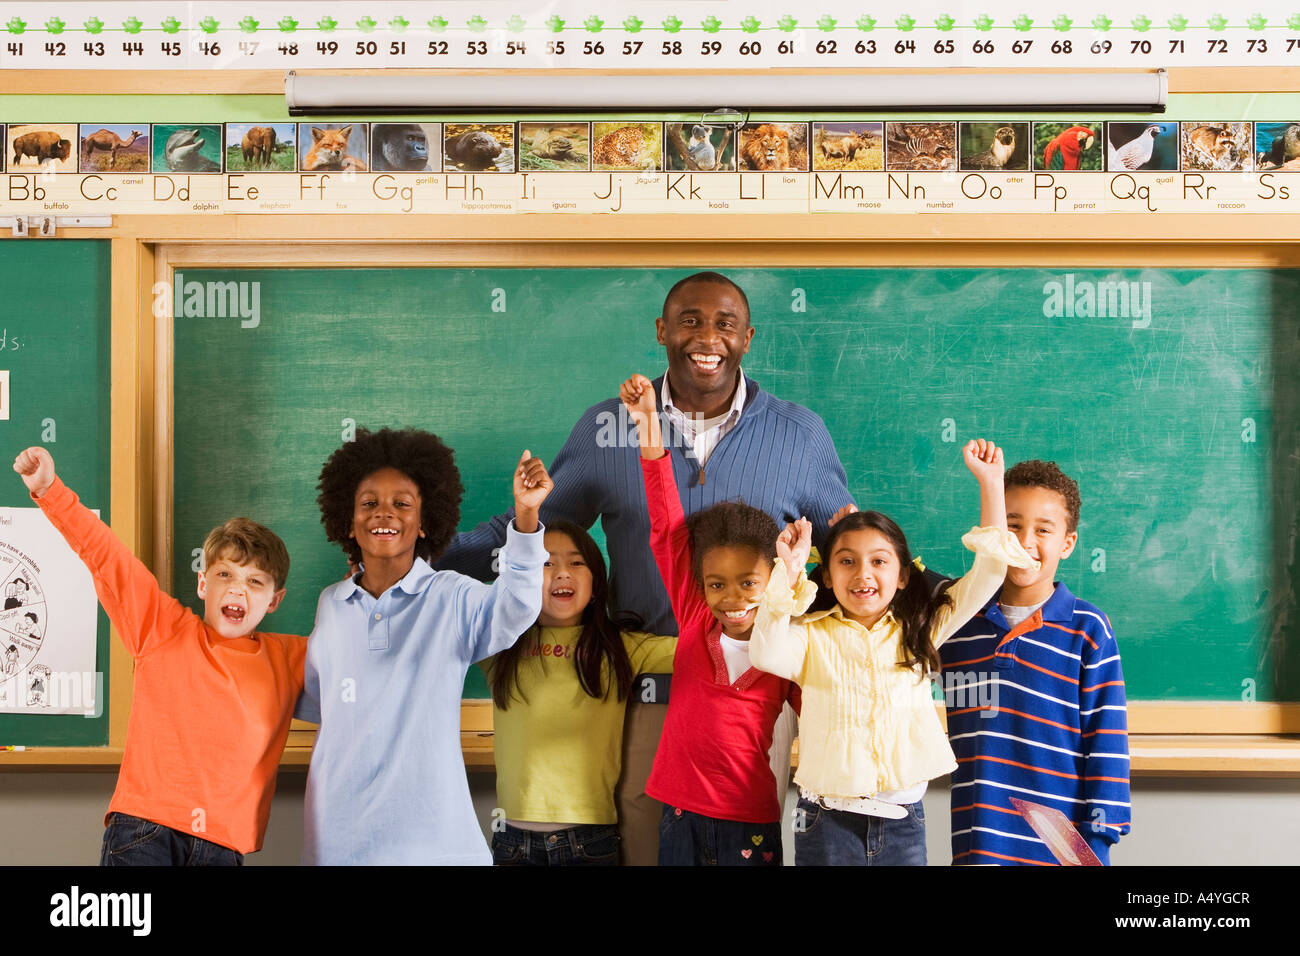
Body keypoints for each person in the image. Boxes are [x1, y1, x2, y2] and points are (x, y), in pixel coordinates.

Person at [438, 272, 853, 862]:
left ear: (748, 337)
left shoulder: (799, 434)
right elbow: (529, 530)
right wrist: (419, 558)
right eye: (689, 320)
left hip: (756, 687)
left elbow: (853, 554)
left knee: (742, 840)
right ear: (662, 330)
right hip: (644, 680)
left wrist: (921, 611)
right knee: (644, 842)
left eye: (725, 323)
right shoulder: (608, 428)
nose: (707, 337)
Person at [750, 440, 1036, 866]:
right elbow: (765, 652)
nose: (863, 573)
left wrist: (992, 485)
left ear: (903, 576)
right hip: (825, 823)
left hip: (903, 823)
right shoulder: (811, 636)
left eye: (879, 561)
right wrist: (786, 573)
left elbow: (991, 572)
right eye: (846, 561)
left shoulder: (921, 628)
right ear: (826, 576)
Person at [13, 445, 302, 866]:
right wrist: (49, 490)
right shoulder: (163, 628)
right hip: (145, 831)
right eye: (225, 575)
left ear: (274, 601)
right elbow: (107, 557)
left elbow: (367, 663)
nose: (237, 589)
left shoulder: (289, 658)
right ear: (203, 584)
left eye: (255, 582)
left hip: (224, 845)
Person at [297, 427, 552, 865]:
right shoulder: (331, 605)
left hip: (435, 844)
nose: (385, 513)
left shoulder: (450, 595)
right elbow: (323, 705)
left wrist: (525, 518)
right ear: (348, 519)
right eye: (369, 502)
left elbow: (516, 608)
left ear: (425, 521)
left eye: (402, 503)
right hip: (339, 840)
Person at [623, 374, 799, 865]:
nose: (731, 597)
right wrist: (648, 427)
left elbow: (830, 712)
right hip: (680, 813)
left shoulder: (787, 647)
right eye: (716, 584)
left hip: (752, 820)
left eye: (748, 582)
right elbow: (667, 526)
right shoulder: (696, 615)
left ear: (773, 580)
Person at [940, 460, 1131, 865]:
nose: (1025, 541)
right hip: (979, 843)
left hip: (1064, 851)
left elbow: (1107, 741)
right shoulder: (956, 623)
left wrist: (1096, 844)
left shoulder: (1088, 630)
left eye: (1043, 529)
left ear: (1067, 543)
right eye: (1011, 526)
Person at [481, 521, 675, 865]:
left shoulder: (621, 649)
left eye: (576, 563)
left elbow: (709, 647)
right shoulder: (501, 646)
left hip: (590, 840)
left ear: (595, 582)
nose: (562, 573)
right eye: (546, 563)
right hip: (511, 840)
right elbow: (443, 616)